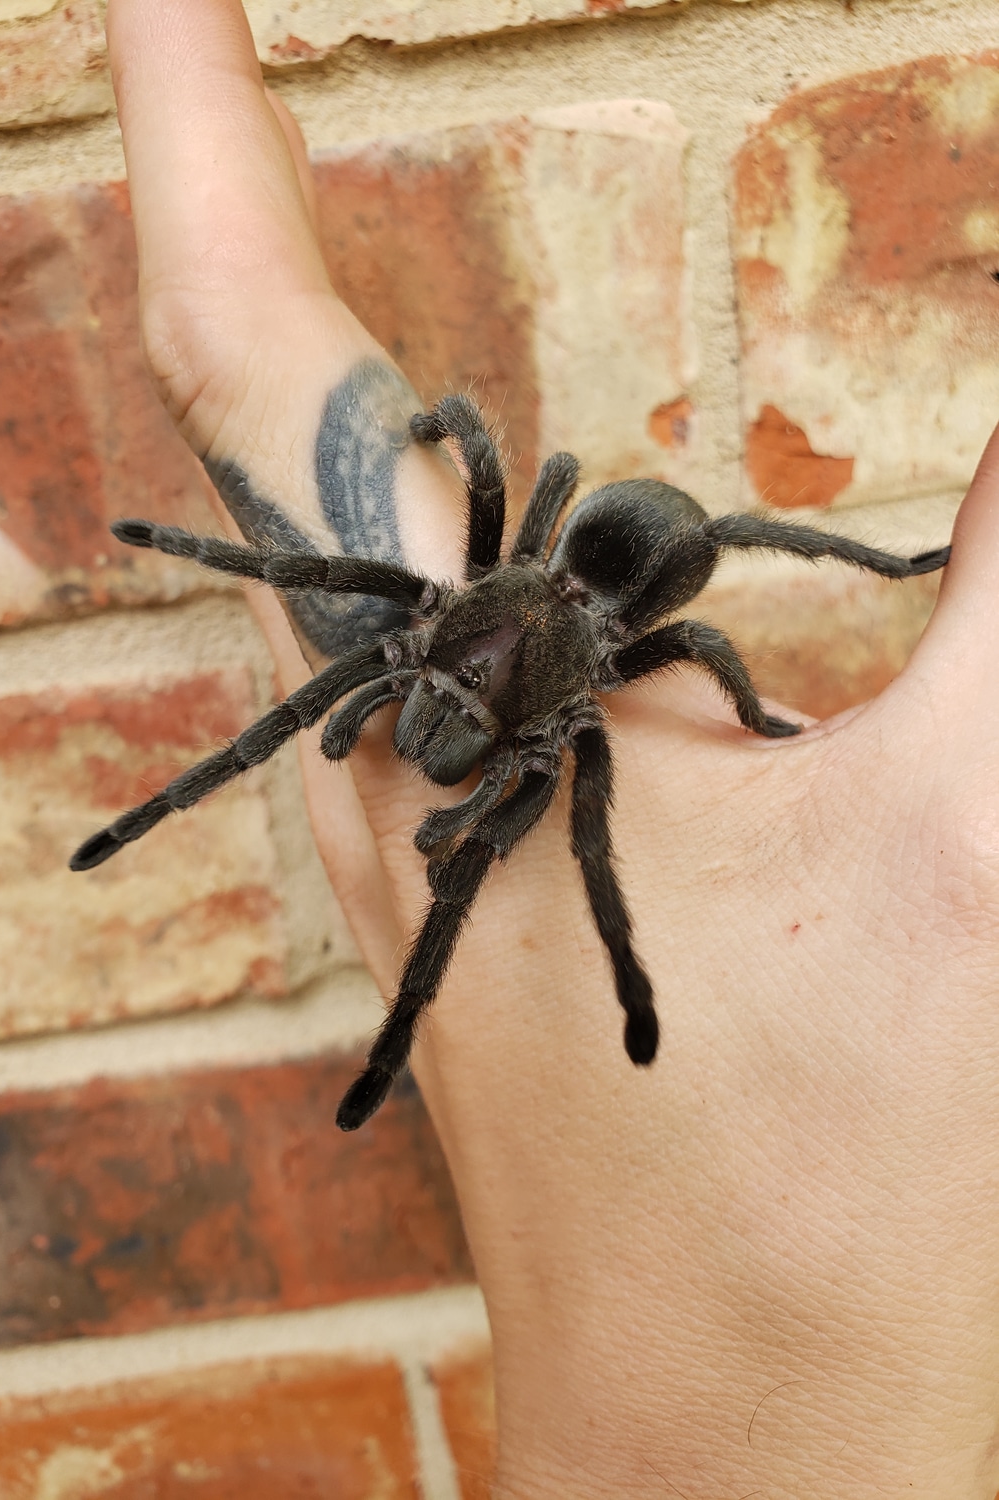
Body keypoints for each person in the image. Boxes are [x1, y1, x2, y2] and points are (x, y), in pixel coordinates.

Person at [106, 1, 999, 1492]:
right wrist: (231, 553)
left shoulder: (615, 677)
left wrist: (622, 967)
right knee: (350, 654)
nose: (433, 736)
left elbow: (586, 804)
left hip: (627, 578)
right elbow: (431, 493)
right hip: (525, 582)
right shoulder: (437, 599)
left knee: (525, 821)